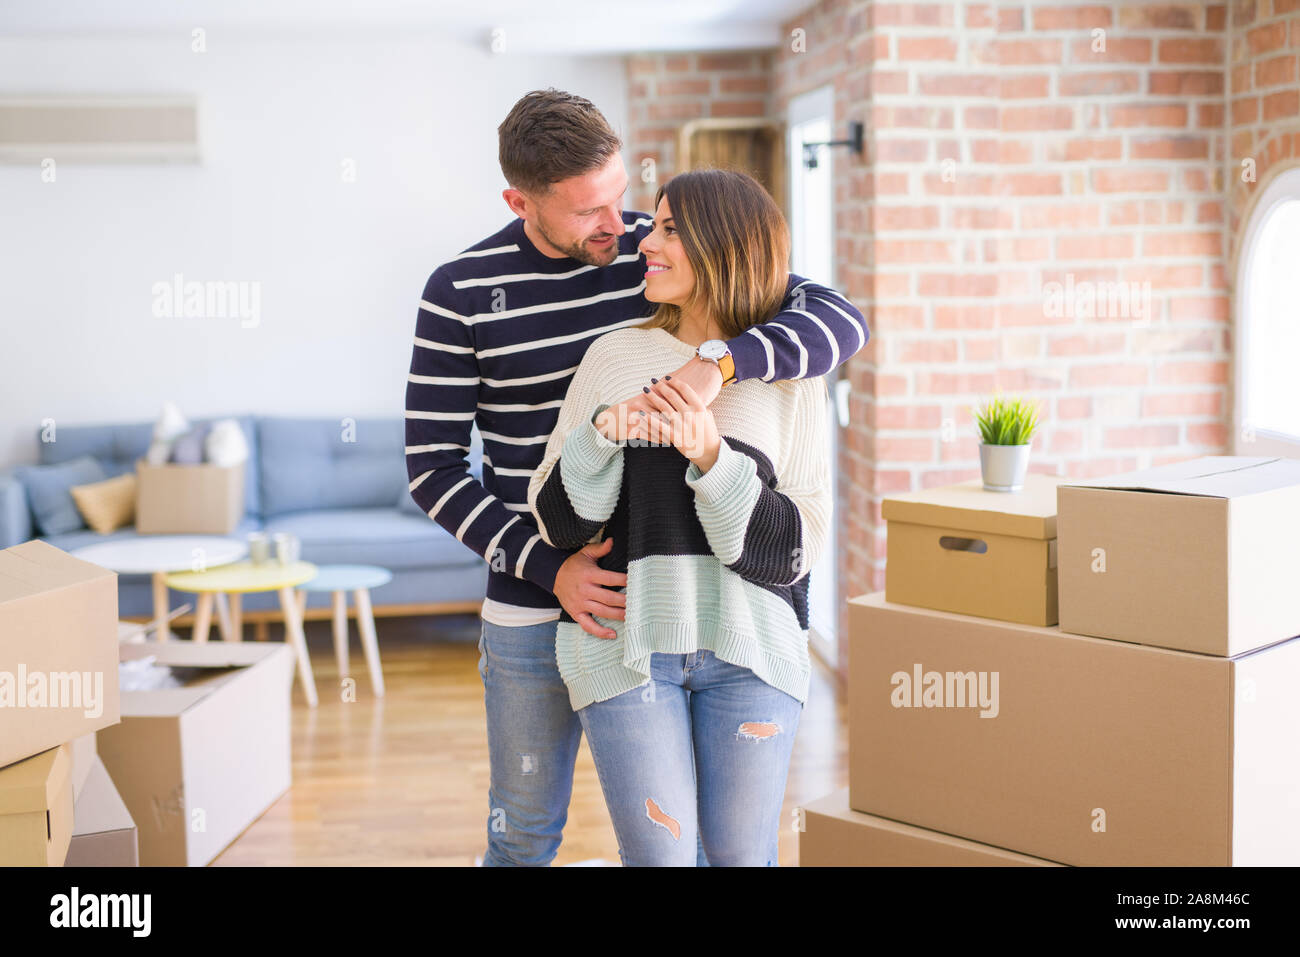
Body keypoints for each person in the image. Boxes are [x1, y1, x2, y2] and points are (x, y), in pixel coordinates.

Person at [404, 89, 868, 866]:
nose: (615, 227)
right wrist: (551, 569)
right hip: (533, 603)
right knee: (522, 833)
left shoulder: (653, 258)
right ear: (522, 200)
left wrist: (716, 364)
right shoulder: (459, 293)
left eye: (621, 198)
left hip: (682, 601)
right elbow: (433, 469)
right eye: (589, 211)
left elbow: (836, 321)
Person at [526, 168, 829, 866]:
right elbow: (558, 520)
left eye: (668, 229)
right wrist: (603, 433)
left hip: (752, 651)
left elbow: (796, 546)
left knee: (740, 857)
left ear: (723, 243)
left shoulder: (789, 371)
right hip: (626, 650)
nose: (644, 243)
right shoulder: (613, 356)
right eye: (652, 225)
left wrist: (713, 457)